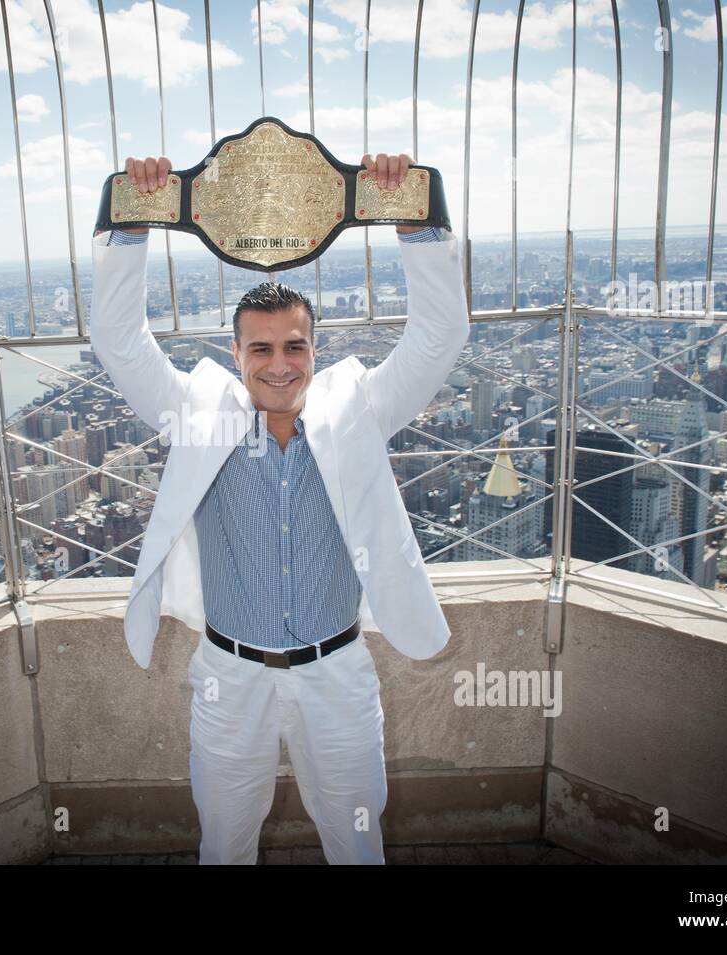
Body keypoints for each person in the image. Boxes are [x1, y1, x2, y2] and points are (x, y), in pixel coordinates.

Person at [90, 151, 471, 864]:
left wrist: (418, 218)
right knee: (225, 843)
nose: (279, 363)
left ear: (315, 349)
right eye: (260, 348)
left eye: (295, 346)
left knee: (358, 842)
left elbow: (438, 338)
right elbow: (118, 342)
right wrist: (130, 220)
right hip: (229, 678)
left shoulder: (360, 406)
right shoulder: (194, 413)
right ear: (234, 353)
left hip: (339, 673)